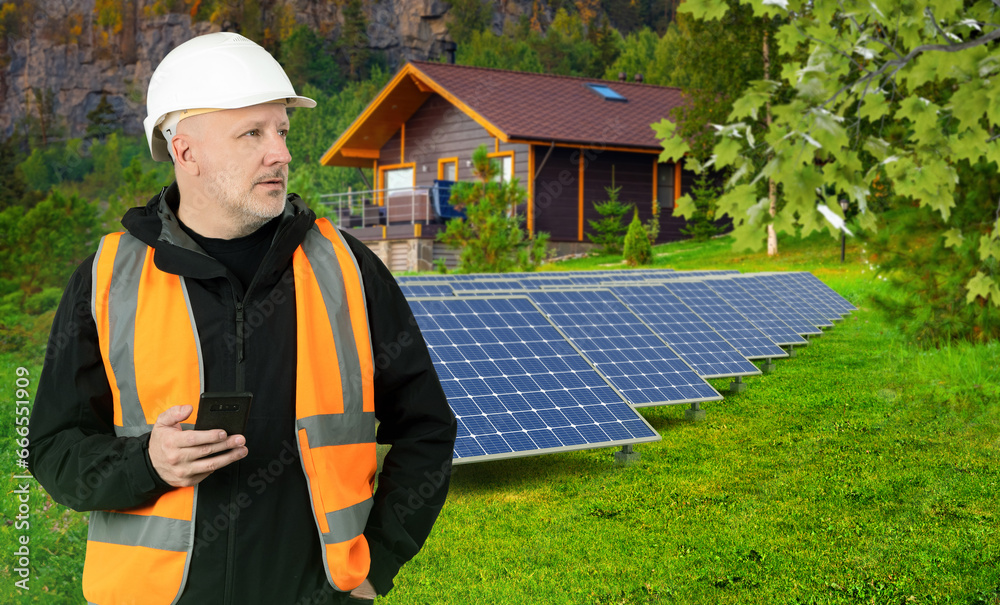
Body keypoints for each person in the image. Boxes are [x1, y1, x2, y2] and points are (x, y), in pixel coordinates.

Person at [27, 32, 456, 605]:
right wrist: (145, 463)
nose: (279, 152)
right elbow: (53, 448)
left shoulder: (349, 270)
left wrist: (375, 566)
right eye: (252, 133)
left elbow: (428, 427)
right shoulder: (106, 279)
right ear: (186, 153)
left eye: (281, 130)